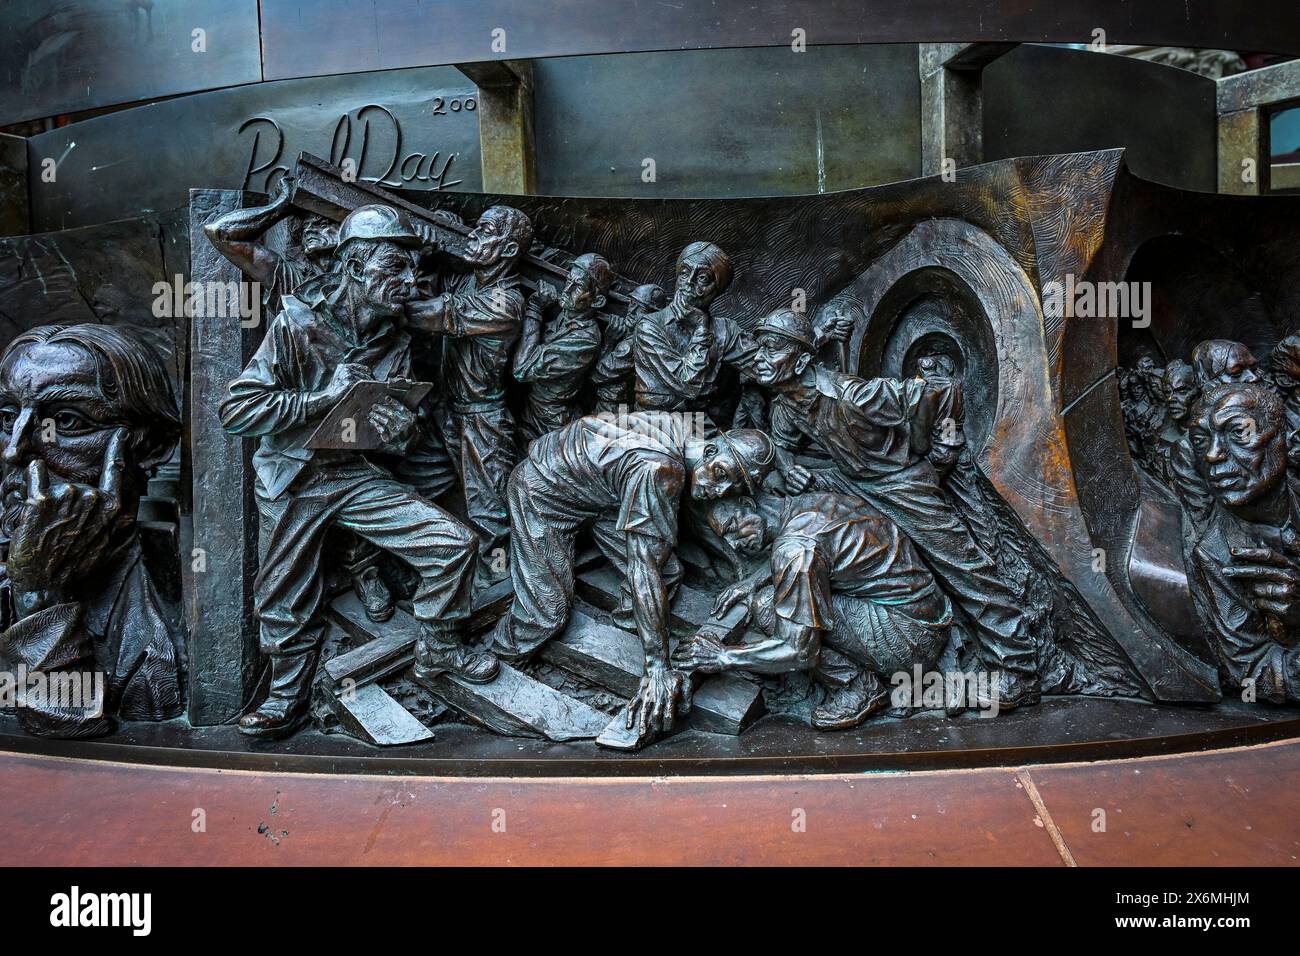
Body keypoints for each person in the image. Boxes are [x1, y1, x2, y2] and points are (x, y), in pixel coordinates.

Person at [220, 204, 495, 739]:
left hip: (351, 473)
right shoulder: (297, 324)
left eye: (412, 269)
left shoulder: (394, 337)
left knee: (453, 544)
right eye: (394, 267)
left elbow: (393, 431)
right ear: (353, 267)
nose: (409, 282)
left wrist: (401, 430)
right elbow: (237, 411)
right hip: (293, 477)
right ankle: (284, 699)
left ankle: (438, 649)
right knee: (282, 594)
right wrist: (322, 399)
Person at [747, 307, 1040, 709]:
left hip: (901, 484)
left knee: (963, 567)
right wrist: (788, 468)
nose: (759, 357)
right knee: (788, 498)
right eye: (759, 347)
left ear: (800, 362)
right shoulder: (787, 403)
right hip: (853, 480)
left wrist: (939, 449)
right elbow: (780, 444)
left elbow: (939, 392)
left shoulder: (854, 396)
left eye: (771, 348)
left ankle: (1018, 669)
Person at [490, 411, 775, 736]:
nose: (720, 490)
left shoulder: (687, 433)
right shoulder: (660, 470)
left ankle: (632, 629)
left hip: (600, 492)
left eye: (733, 487)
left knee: (667, 573)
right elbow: (643, 565)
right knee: (546, 613)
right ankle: (505, 659)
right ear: (710, 451)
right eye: (721, 473)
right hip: (544, 492)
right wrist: (657, 668)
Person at [204, 176, 394, 622]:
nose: (313, 232)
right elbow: (221, 233)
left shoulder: (381, 298)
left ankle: (363, 568)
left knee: (363, 470)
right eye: (305, 226)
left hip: (352, 432)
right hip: (293, 407)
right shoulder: (293, 280)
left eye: (324, 224)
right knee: (287, 561)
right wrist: (284, 204)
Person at [0, 324, 184, 738]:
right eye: (7, 417)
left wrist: (40, 595)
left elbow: (67, 724)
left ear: (152, 445)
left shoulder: (173, 624)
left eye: (66, 420)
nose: (14, 451)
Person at [674, 492, 952, 730]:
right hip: (928, 616)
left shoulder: (793, 551)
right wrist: (752, 582)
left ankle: (857, 687)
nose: (734, 544)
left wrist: (723, 656)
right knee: (783, 596)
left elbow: (798, 651)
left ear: (748, 503)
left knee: (768, 607)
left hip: (908, 641)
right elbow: (817, 549)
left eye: (732, 528)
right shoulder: (813, 505)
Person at [405, 205, 532, 583]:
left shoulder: (506, 303)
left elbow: (428, 314)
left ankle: (498, 586)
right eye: (476, 227)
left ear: (508, 250)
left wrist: (372, 298)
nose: (474, 235)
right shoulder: (467, 282)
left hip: (482, 423)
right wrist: (424, 255)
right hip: (445, 412)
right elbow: (427, 292)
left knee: (491, 516)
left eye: (486, 230)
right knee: (412, 486)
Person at [1184, 381, 1300, 703]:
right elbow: (1254, 673)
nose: (1212, 454)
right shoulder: (1215, 553)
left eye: (1238, 433)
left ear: (1284, 440)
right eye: (1201, 440)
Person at [513, 253, 610, 442]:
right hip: (530, 410)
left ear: (597, 301)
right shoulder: (567, 314)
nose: (567, 289)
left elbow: (522, 369)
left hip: (549, 424)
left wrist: (535, 309)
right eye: (568, 280)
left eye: (578, 286)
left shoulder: (585, 341)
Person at [591, 282, 666, 413]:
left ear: (654, 315)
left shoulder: (629, 347)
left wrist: (609, 342)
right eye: (632, 303)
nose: (631, 311)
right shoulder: (653, 337)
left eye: (641, 309)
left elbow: (597, 376)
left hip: (610, 408)